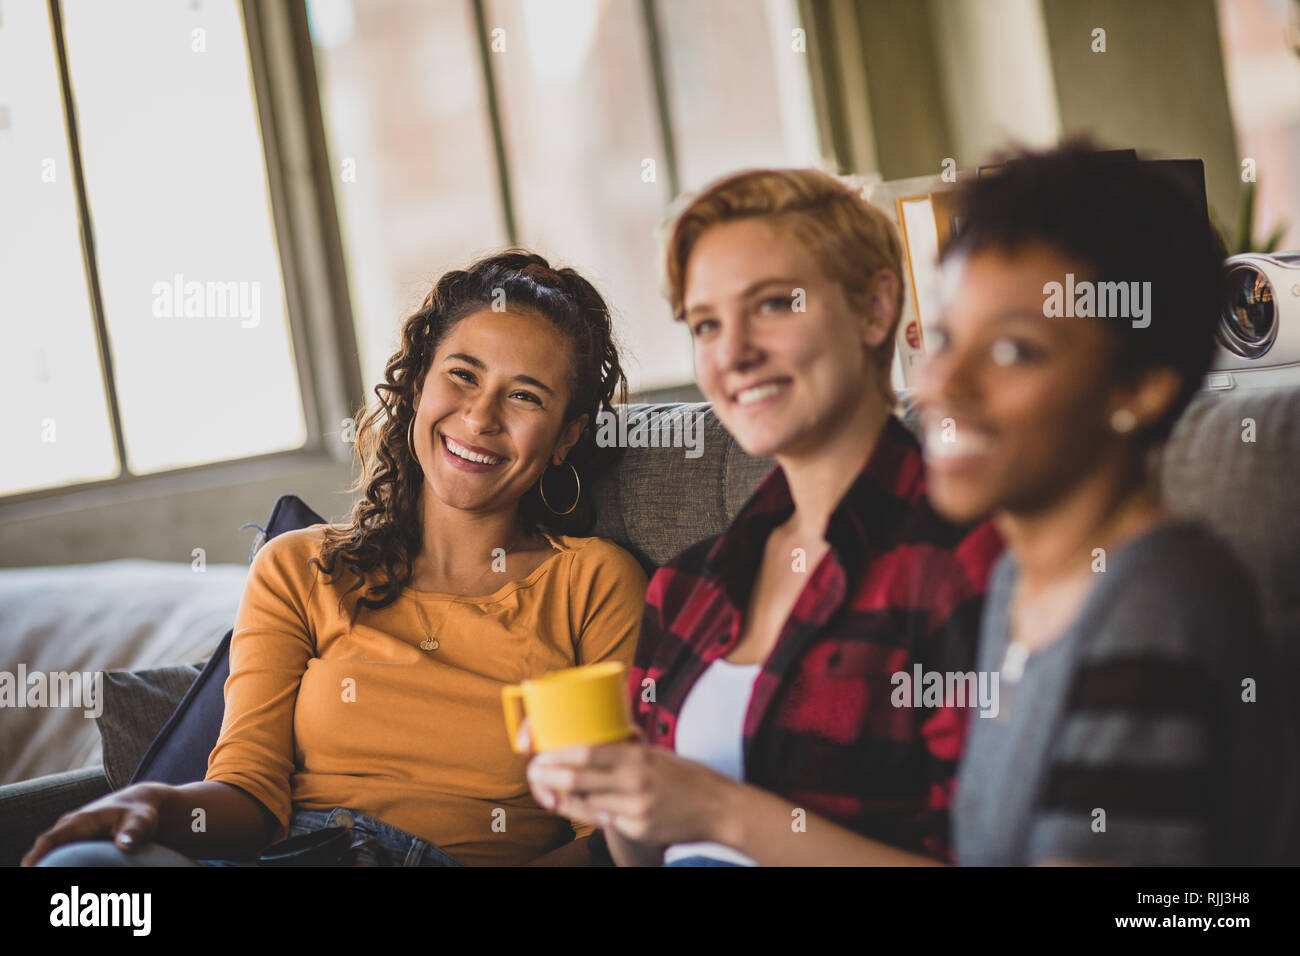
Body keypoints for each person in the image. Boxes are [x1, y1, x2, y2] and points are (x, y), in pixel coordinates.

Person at [25, 251, 648, 868]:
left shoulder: (589, 585)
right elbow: (248, 794)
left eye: (526, 397)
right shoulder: (298, 568)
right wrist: (157, 806)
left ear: (568, 433)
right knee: (78, 879)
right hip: (294, 852)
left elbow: (604, 837)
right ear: (420, 381)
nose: (480, 417)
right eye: (462, 374)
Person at [523, 167, 1004, 865]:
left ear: (875, 309)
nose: (733, 353)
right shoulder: (688, 589)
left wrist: (721, 810)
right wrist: (616, 794)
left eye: (775, 304)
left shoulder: (962, 560)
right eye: (707, 323)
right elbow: (643, 858)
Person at [914, 142, 1295, 865]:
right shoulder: (1017, 582)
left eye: (1013, 350)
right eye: (943, 340)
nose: (942, 384)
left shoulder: (1158, 607)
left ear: (1141, 386)